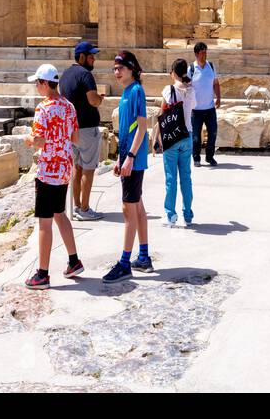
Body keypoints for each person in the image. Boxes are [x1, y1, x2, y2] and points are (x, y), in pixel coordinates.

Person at [25, 64, 84, 287]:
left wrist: (28, 140)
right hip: (64, 169)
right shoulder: (69, 106)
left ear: (43, 83)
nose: (36, 88)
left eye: (37, 83)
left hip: (48, 170)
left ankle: (42, 273)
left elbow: (38, 140)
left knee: (45, 223)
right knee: (60, 214)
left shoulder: (43, 108)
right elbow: (76, 138)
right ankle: (74, 261)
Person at [103, 51, 154, 281]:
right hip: (128, 158)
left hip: (134, 160)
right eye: (114, 68)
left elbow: (142, 127)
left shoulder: (136, 91)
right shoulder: (126, 92)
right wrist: (119, 158)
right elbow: (127, 129)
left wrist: (131, 156)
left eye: (120, 68)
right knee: (139, 209)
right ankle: (143, 257)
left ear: (131, 68)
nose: (116, 72)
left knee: (128, 211)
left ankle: (124, 263)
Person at [58, 40, 103, 219]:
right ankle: (84, 209)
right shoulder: (85, 75)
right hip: (86, 128)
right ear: (82, 57)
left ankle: (76, 207)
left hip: (71, 129)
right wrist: (100, 99)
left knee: (76, 167)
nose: (93, 60)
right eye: (91, 56)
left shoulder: (66, 75)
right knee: (89, 168)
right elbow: (92, 100)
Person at [156, 58, 195, 228]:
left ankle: (170, 215)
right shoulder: (191, 90)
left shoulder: (169, 90)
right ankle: (188, 214)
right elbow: (193, 107)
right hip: (187, 135)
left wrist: (156, 137)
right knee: (186, 177)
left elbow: (162, 114)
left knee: (171, 178)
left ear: (173, 72)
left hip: (171, 137)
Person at [189, 41, 222, 167]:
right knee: (196, 136)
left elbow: (216, 83)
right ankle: (196, 158)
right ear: (196, 54)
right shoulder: (191, 69)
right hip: (196, 110)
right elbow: (187, 87)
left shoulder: (211, 66)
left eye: (205, 52)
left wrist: (218, 98)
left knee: (212, 133)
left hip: (209, 108)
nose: (204, 55)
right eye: (202, 53)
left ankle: (210, 157)